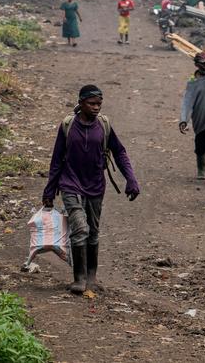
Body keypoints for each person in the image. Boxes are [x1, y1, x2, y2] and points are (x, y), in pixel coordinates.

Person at [41, 85, 141, 294]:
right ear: (81, 103)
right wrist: (49, 190)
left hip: (95, 185)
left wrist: (131, 179)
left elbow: (120, 153)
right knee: (80, 229)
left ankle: (92, 278)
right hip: (70, 184)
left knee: (93, 232)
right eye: (91, 103)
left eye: (99, 104)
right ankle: (79, 278)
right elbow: (57, 159)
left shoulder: (103, 126)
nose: (96, 107)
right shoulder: (68, 126)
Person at [179, 52, 205, 184]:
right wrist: (184, 120)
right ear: (197, 65)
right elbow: (187, 101)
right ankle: (201, 169)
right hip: (199, 118)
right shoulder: (193, 81)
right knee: (200, 144)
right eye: (203, 64)